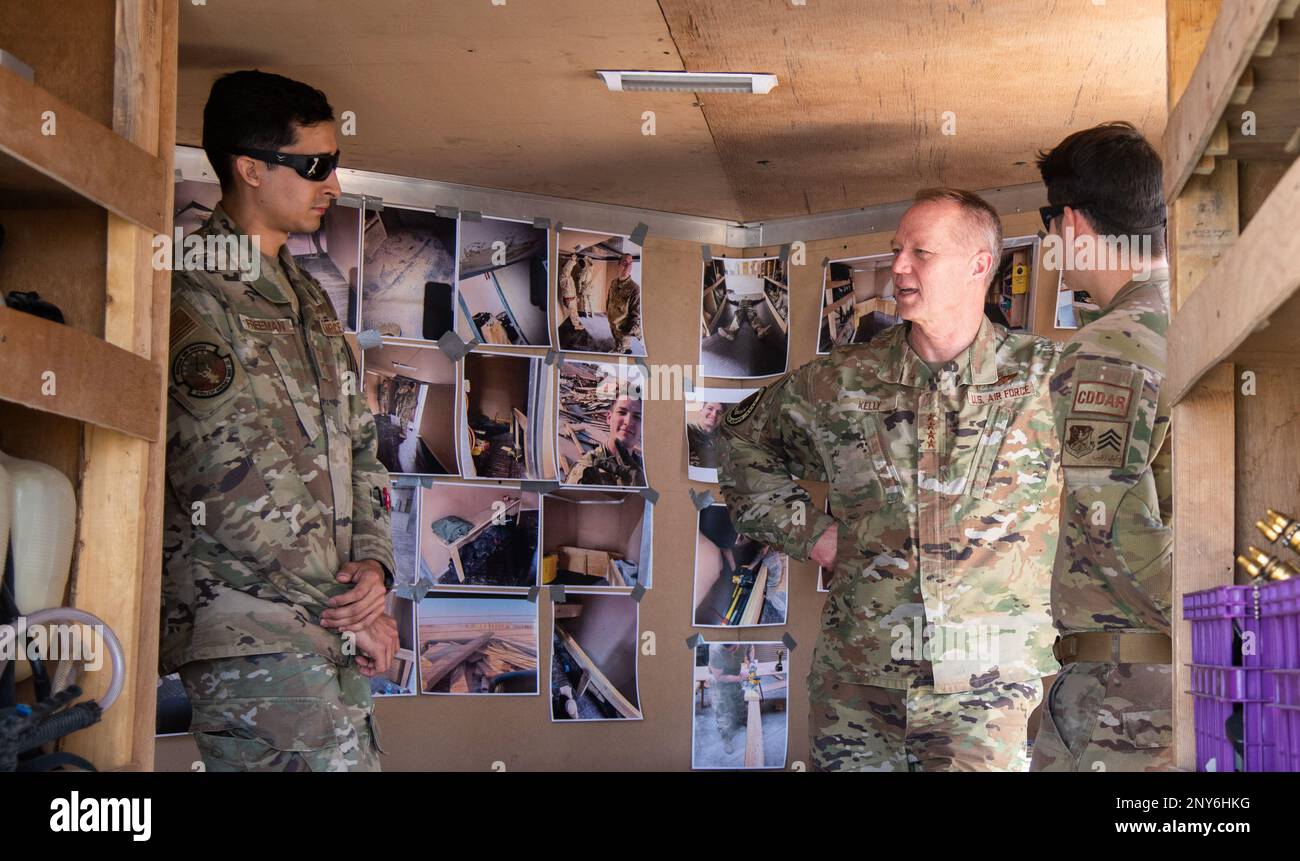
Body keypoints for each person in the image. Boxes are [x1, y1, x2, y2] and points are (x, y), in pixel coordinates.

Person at [718, 187, 1063, 771]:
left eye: (920, 253)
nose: (898, 267)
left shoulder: (1048, 380)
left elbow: (1125, 493)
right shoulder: (842, 381)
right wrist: (814, 534)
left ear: (980, 264)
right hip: (860, 683)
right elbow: (740, 437)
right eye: (896, 250)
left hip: (991, 693)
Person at [163, 70, 398, 772]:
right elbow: (225, 477)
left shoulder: (309, 301)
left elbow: (363, 447)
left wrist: (377, 567)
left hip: (325, 623)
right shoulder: (194, 292)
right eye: (316, 166)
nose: (334, 184)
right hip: (252, 630)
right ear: (251, 169)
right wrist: (351, 606)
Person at [1030, 122, 1174, 772]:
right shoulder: (1206, 321)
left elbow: (1111, 528)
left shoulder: (1107, 347)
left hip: (1122, 700)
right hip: (1191, 686)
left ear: (1072, 224)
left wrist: (1219, 626)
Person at [565, 394, 645, 486]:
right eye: (622, 412)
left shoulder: (645, 470)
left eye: (637, 417)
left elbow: (658, 499)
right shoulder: (587, 470)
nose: (629, 422)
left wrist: (642, 487)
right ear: (609, 418)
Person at [708, 644, 751, 757]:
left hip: (736, 674)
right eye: (728, 650)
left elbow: (751, 647)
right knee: (723, 709)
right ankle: (725, 735)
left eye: (734, 648)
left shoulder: (743, 641)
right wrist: (740, 678)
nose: (732, 652)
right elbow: (719, 677)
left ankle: (744, 723)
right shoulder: (715, 651)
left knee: (739, 701)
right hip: (719, 681)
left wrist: (751, 663)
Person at [606, 253, 642, 353]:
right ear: (619, 265)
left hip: (623, 328)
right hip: (613, 323)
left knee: (623, 348)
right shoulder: (613, 283)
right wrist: (608, 313)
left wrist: (628, 330)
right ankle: (618, 347)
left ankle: (625, 350)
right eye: (625, 262)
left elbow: (636, 313)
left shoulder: (634, 288)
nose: (628, 265)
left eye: (630, 263)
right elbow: (609, 299)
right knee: (616, 342)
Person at [687, 401, 725, 469]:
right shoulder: (688, 430)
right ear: (701, 411)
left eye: (719, 412)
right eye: (710, 409)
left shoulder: (724, 442)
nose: (714, 414)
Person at [557, 254, 585, 332]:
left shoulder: (568, 277)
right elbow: (567, 269)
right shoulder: (563, 276)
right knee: (573, 313)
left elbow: (572, 289)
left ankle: (577, 323)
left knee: (574, 312)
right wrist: (572, 261)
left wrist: (576, 298)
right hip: (569, 299)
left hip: (571, 298)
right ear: (565, 268)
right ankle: (576, 326)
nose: (567, 269)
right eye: (566, 267)